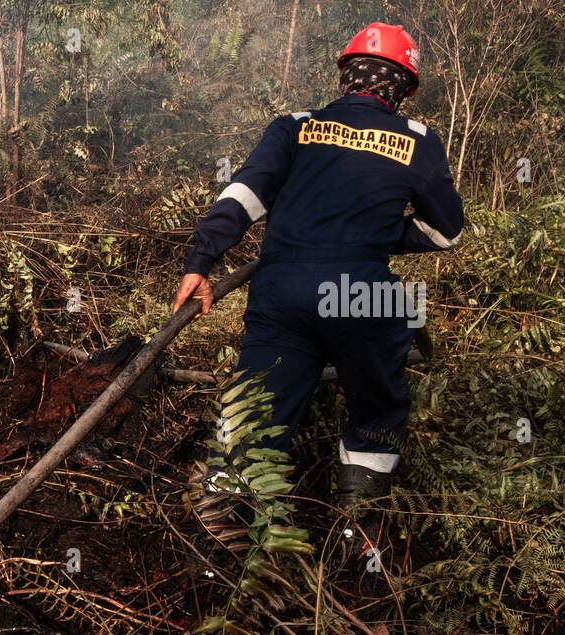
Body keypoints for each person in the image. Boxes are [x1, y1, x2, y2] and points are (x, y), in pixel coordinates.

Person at [174, 22, 464, 533]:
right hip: (361, 296)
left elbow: (241, 199)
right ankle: (354, 527)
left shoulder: (294, 125)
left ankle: (224, 534)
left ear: (346, 75)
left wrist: (200, 263)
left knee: (258, 404)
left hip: (281, 291)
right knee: (377, 405)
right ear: (403, 88)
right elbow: (447, 232)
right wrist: (377, 233)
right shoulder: (417, 140)